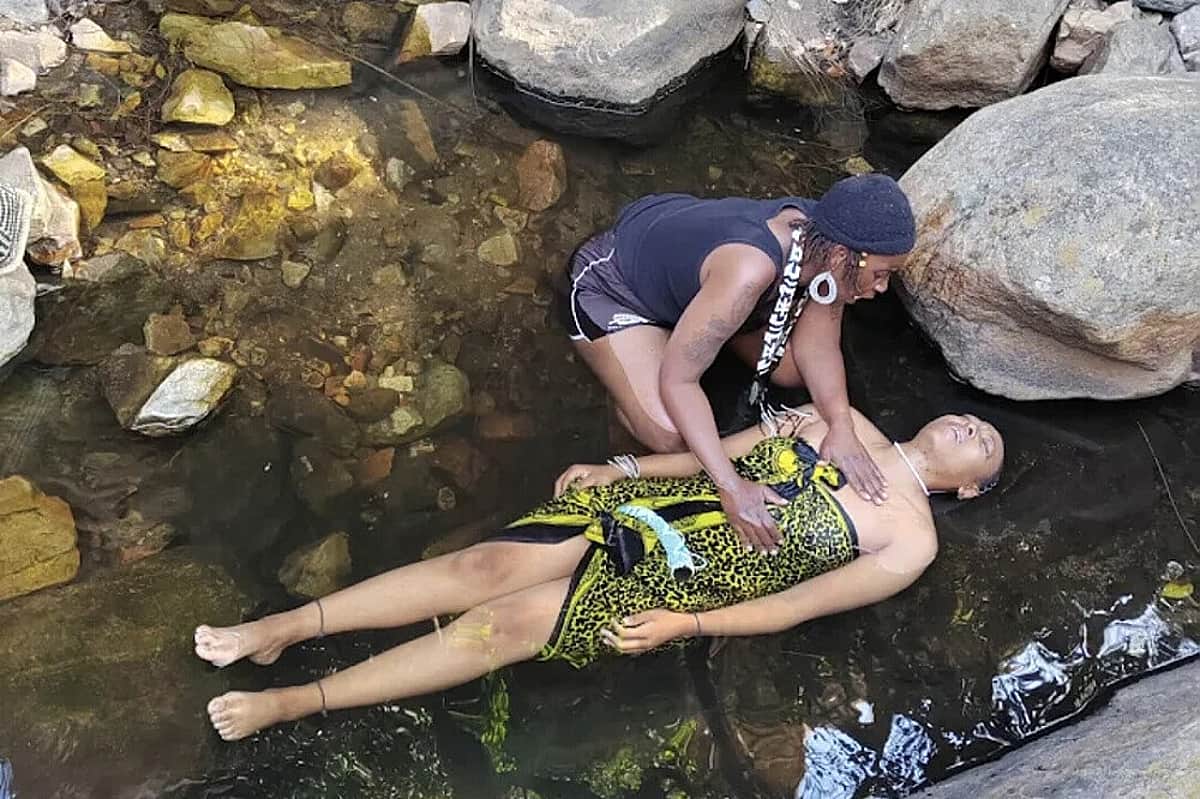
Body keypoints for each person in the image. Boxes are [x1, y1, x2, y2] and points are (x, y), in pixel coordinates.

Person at [195, 405, 1002, 741]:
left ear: (968, 486)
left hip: (679, 582)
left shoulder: (911, 539)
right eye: (971, 418)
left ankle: (295, 699)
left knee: (502, 627)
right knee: (483, 564)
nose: (970, 426)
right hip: (646, 508)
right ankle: (288, 626)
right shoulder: (839, 413)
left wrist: (688, 626)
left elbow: (795, 605)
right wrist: (625, 467)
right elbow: (712, 454)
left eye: (984, 443)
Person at [562, 175, 916, 555]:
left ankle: (709, 323)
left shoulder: (827, 239)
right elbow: (679, 383)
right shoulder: (751, 270)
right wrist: (731, 486)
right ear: (842, 257)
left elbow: (818, 346)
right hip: (614, 287)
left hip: (699, 275)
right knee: (669, 433)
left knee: (792, 371)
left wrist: (841, 424)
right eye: (881, 275)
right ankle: (629, 391)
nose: (881, 288)